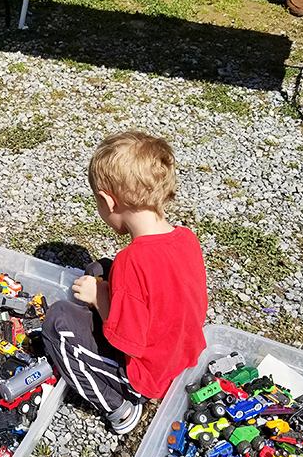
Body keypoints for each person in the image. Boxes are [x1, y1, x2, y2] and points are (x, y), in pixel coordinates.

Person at [42, 132, 207, 435]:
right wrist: (104, 286)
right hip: (180, 352)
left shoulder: (133, 260)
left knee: (56, 322)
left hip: (147, 374)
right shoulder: (186, 238)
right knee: (101, 268)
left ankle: (119, 408)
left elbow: (127, 338)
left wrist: (98, 298)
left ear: (108, 200)